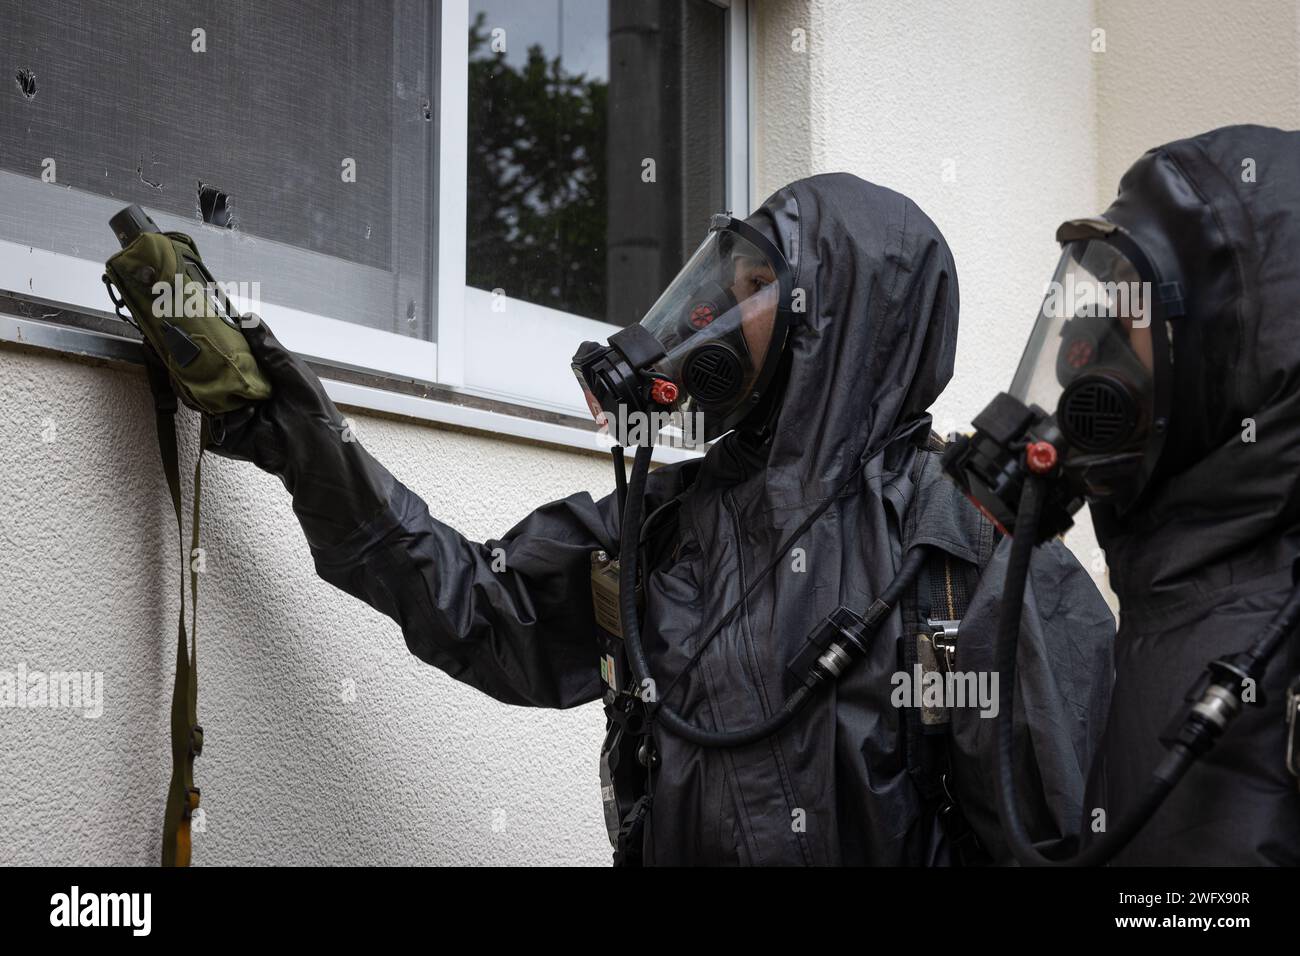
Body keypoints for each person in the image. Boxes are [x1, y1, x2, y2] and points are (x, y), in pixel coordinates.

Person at [210, 173, 1115, 865]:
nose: (719, 311)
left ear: (835, 325)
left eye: (760, 286)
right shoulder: (669, 521)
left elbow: (1064, 835)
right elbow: (483, 610)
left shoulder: (969, 552)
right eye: (731, 278)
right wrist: (303, 440)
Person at [946, 125, 1300, 865]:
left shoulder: (1263, 613)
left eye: (1126, 312)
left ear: (1230, 349)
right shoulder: (1171, 594)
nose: (1087, 349)